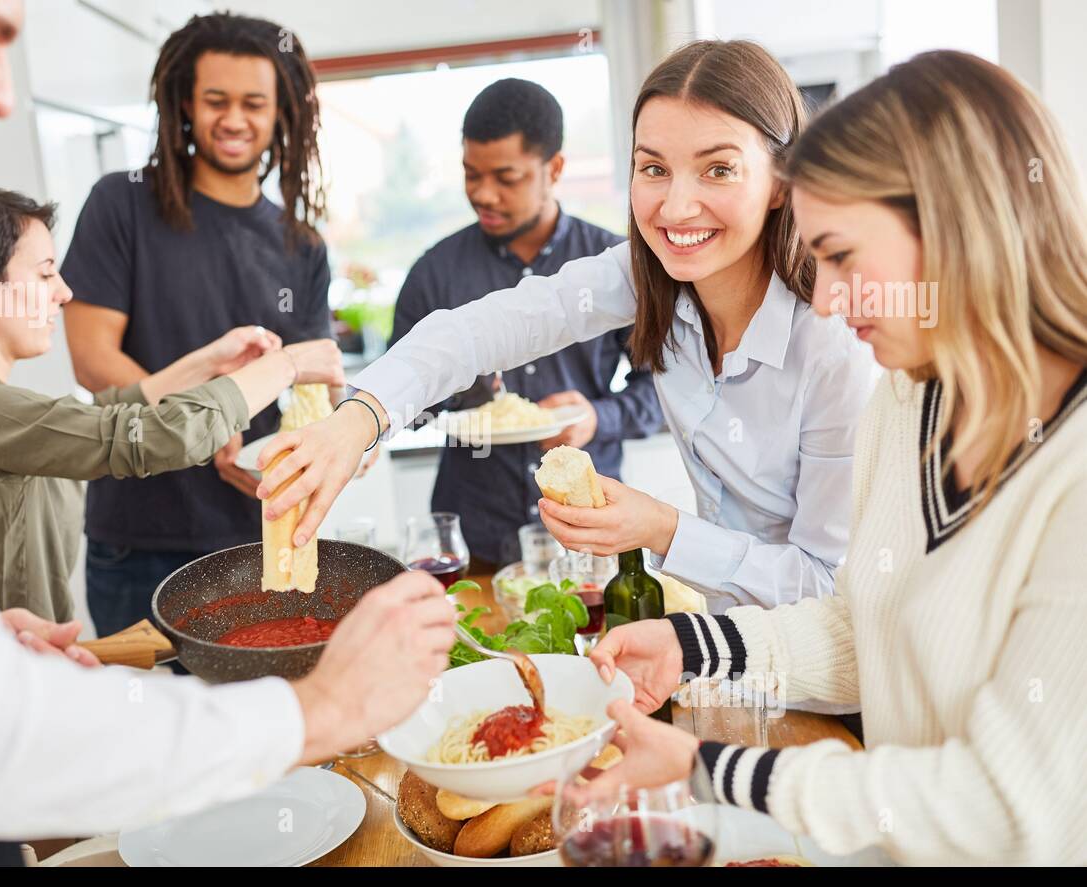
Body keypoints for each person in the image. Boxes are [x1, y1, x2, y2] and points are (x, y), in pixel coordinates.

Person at [0, 0, 453, 866]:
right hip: (133, 550)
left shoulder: (295, 236)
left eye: (257, 103)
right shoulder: (109, 214)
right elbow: (110, 421)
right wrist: (320, 710)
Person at [579, 51, 1087, 866]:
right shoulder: (904, 401)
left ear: (961, 226)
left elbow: (1006, 807)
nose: (822, 297)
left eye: (843, 256)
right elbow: (865, 629)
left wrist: (711, 769)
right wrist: (696, 645)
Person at [259, 40, 880, 617]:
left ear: (779, 182)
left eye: (718, 170)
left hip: (828, 685)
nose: (676, 205)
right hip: (729, 648)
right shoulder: (643, 276)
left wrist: (662, 528)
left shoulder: (835, 342)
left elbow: (830, 585)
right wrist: (357, 420)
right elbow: (477, 331)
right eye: (653, 168)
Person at [0, 181, 343, 622]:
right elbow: (146, 438)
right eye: (46, 272)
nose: (65, 292)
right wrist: (286, 365)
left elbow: (105, 417)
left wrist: (207, 362)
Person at [61, 12, 339, 636]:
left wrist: (336, 437)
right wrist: (202, 426)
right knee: (144, 726)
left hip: (259, 535)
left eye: (253, 103)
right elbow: (92, 360)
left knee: (260, 727)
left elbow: (311, 381)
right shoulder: (122, 203)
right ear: (185, 103)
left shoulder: (301, 245)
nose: (234, 119)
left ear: (281, 113)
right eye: (216, 100)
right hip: (140, 539)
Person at [389, 78, 662, 569]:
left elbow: (665, 390)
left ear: (554, 169)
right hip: (473, 535)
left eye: (505, 177)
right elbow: (404, 404)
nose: (483, 193)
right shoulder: (434, 272)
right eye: (471, 174)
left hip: (586, 525)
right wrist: (460, 393)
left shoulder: (615, 266)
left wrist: (599, 417)